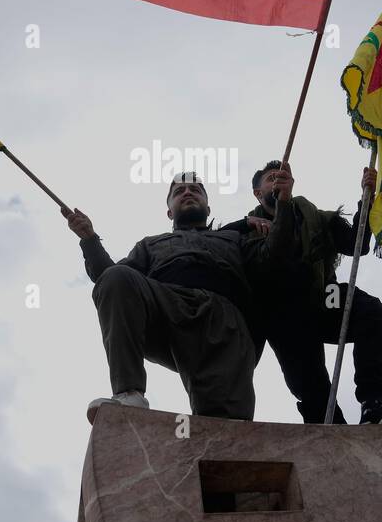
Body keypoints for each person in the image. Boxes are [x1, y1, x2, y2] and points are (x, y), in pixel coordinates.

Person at [64, 168, 296, 424]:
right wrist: (89, 239)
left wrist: (283, 204)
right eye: (179, 191)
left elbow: (276, 258)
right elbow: (110, 281)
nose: (187, 192)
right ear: (169, 211)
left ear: (208, 208)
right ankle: (129, 395)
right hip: (167, 308)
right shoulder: (149, 244)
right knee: (117, 276)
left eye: (195, 189)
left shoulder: (235, 238)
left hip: (225, 324)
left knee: (228, 429)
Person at [220, 160, 382, 427]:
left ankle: (372, 404)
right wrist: (260, 216)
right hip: (283, 315)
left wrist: (366, 201)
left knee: (370, 312)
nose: (278, 181)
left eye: (283, 176)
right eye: (270, 179)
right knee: (313, 391)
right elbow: (257, 255)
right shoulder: (247, 229)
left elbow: (354, 244)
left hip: (323, 297)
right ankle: (331, 436)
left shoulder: (316, 216)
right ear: (257, 192)